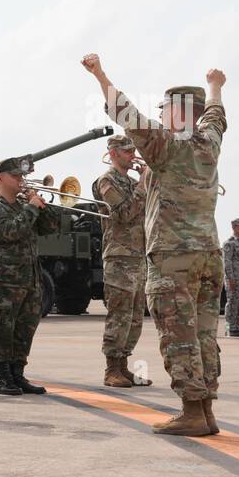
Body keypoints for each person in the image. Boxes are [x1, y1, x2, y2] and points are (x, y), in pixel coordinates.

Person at [84, 54, 227, 436]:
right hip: (209, 254)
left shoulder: (167, 145)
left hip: (173, 257)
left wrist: (100, 73)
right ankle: (206, 409)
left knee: (178, 336)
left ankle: (192, 412)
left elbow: (124, 111)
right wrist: (215, 85)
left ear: (179, 112)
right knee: (203, 335)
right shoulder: (209, 143)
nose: (160, 115)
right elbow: (216, 116)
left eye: (164, 109)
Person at [0, 158, 60, 396]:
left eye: (21, 176)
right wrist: (32, 208)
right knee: (2, 328)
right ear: (1, 179)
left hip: (29, 278)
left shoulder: (21, 205)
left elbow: (51, 227)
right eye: (15, 176)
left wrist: (40, 205)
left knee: (25, 329)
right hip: (4, 278)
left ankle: (18, 373)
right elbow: (11, 232)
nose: (20, 180)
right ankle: (2, 377)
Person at [92, 135, 152, 386]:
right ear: (114, 153)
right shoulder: (107, 181)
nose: (132, 155)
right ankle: (111, 369)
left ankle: (123, 364)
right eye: (127, 152)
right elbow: (124, 214)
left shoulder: (130, 181)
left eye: (132, 151)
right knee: (120, 314)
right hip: (119, 256)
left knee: (136, 315)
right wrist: (142, 185)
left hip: (138, 255)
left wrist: (148, 182)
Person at [222, 218, 239, 336]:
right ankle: (229, 327)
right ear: (234, 227)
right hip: (233, 278)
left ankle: (236, 326)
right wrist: (230, 278)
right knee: (232, 303)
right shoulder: (229, 243)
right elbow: (227, 262)